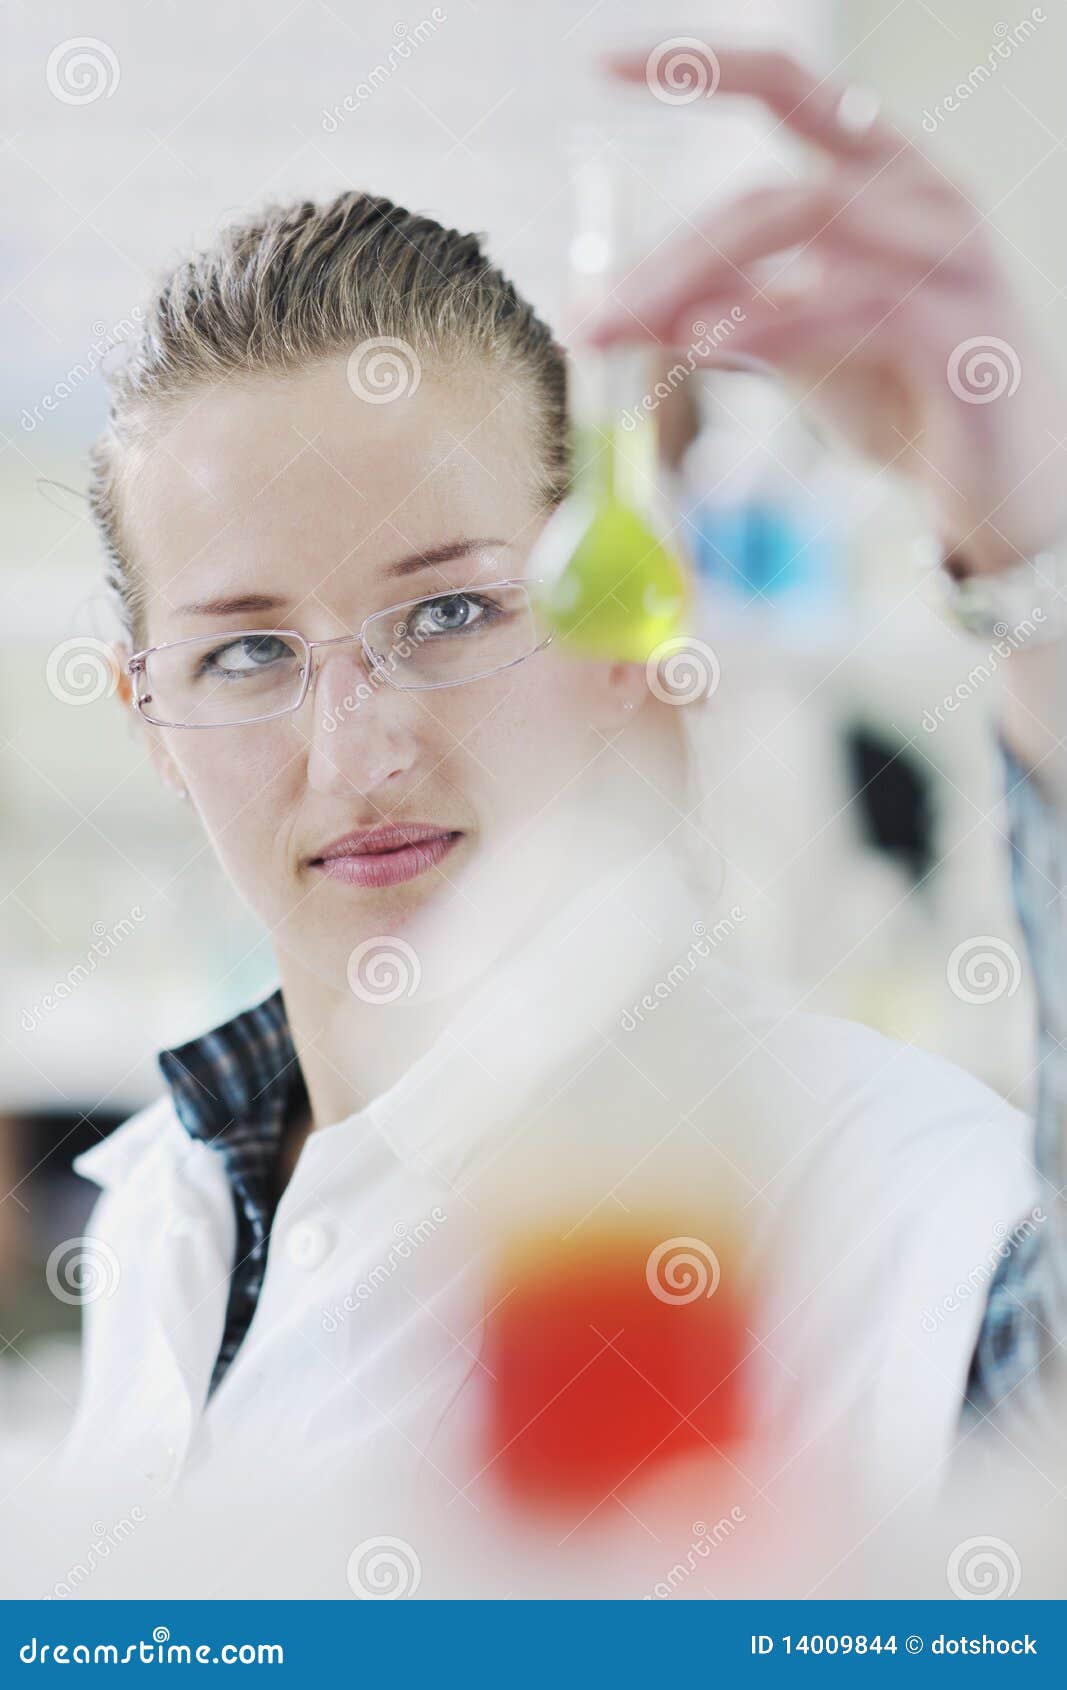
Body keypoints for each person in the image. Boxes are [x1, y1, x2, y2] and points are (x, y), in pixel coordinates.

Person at [56, 48, 1057, 1534]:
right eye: (251, 651)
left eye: (453, 612)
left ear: (610, 622)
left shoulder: (846, 1176)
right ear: (148, 714)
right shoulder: (167, 1210)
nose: (358, 754)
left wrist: (1036, 569)